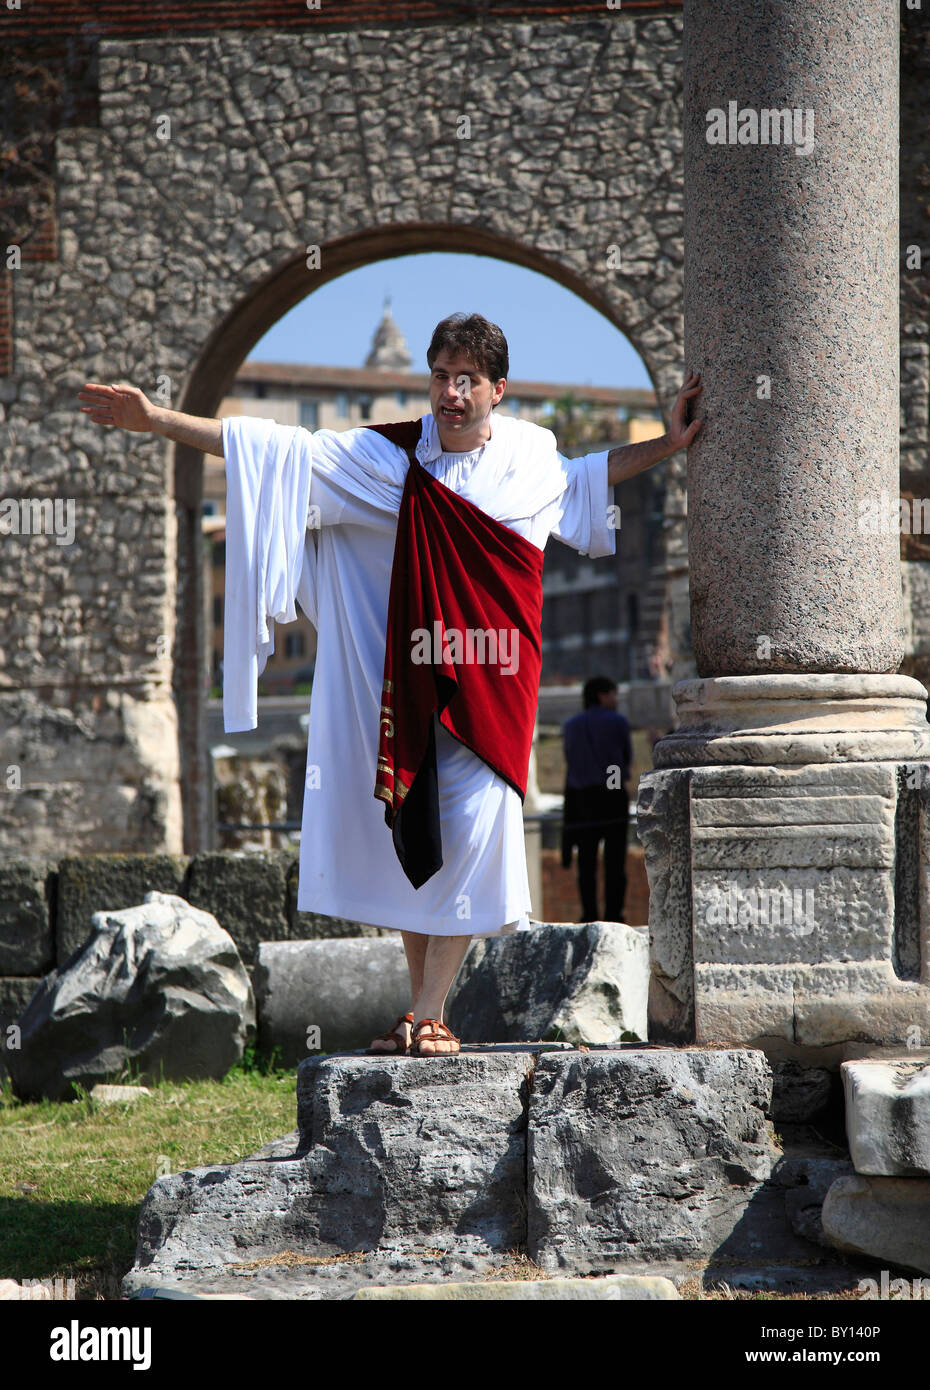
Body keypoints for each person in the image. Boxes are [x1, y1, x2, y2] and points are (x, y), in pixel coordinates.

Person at [78, 314, 702, 1055]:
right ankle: (422, 1010)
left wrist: (670, 443)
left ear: (497, 390)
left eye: (468, 378)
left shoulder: (531, 461)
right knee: (411, 832)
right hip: (406, 682)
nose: (452, 390)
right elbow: (271, 451)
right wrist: (157, 422)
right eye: (441, 375)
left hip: (493, 684)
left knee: (475, 831)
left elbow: (588, 478)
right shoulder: (384, 461)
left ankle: (433, 1009)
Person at [561, 676, 633, 923]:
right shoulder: (617, 722)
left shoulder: (570, 726)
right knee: (615, 862)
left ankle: (589, 914)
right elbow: (624, 760)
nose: (616, 699)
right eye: (614, 694)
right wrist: (612, 784)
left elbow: (570, 762)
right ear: (603, 695)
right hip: (611, 795)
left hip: (581, 799)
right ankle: (614, 914)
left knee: (586, 863)